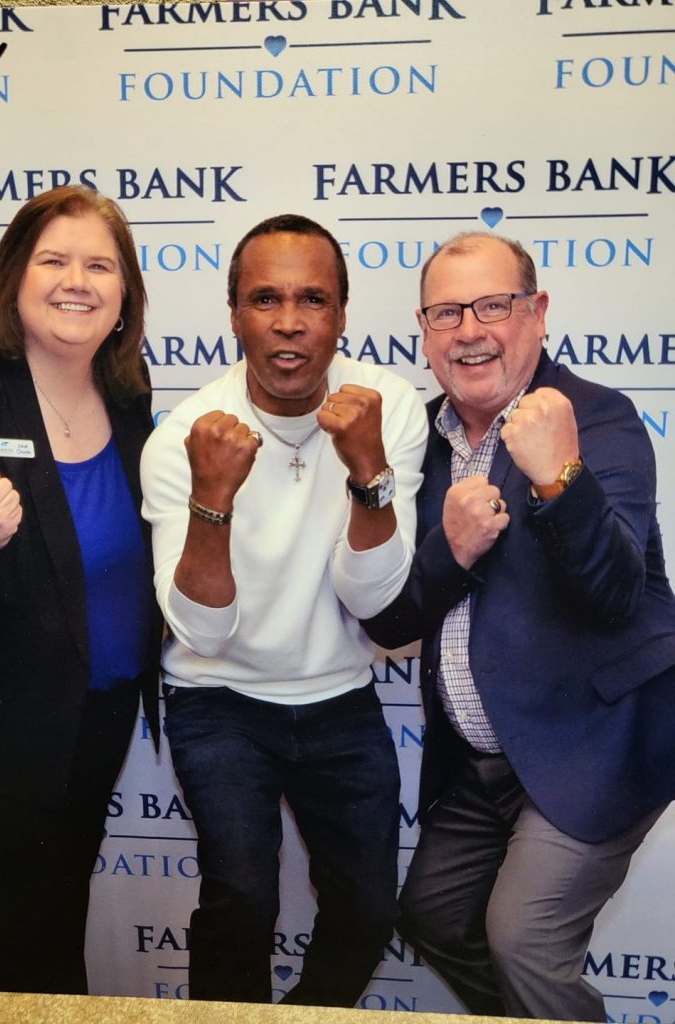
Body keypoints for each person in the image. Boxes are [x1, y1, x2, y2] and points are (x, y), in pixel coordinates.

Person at [363, 231, 675, 1021]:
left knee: (524, 940)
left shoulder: (598, 418)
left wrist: (559, 477)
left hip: (593, 746)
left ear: (536, 313)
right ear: (423, 331)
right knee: (433, 916)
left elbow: (615, 596)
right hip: (482, 764)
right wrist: (453, 549)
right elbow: (390, 618)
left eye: (493, 305)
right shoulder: (419, 442)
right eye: (446, 313)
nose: (469, 330)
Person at [140, 213, 428, 1006]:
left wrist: (367, 470)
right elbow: (202, 632)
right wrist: (213, 498)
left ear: (342, 314)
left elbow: (373, 599)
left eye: (313, 300)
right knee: (242, 902)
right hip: (218, 698)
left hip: (339, 696)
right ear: (235, 315)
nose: (290, 322)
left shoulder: (388, 407)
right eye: (266, 299)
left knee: (369, 912)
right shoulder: (183, 438)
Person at [0, 186, 162, 994]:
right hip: (14, 713)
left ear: (124, 293)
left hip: (106, 703)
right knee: (36, 926)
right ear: (14, 276)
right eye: (54, 260)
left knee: (61, 905)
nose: (76, 282)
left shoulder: (125, 390)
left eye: (100, 266)